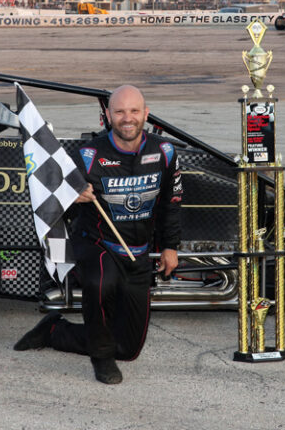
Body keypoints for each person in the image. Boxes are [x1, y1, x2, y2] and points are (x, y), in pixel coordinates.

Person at [13, 85, 182, 385]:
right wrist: (70, 196)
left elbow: (171, 204)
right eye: (119, 111)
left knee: (128, 350)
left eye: (133, 111)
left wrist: (170, 247)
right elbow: (52, 197)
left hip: (138, 251)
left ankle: (55, 331)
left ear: (145, 113)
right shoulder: (88, 155)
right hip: (97, 243)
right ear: (108, 115)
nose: (126, 118)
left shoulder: (165, 152)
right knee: (100, 283)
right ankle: (101, 360)